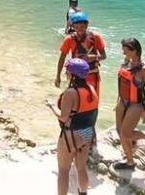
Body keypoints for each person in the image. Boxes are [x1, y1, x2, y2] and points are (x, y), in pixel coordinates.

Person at [48, 58, 98, 195]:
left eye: (67, 71)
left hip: (71, 135)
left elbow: (63, 117)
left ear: (74, 75)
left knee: (64, 170)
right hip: (87, 133)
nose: (65, 73)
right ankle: (83, 193)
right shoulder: (92, 90)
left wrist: (52, 106)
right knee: (81, 168)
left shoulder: (70, 93)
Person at [115, 38, 145, 170]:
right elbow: (122, 83)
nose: (123, 53)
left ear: (134, 51)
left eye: (126, 51)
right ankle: (130, 161)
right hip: (122, 101)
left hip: (136, 104)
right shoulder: (126, 63)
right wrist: (118, 102)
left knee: (126, 133)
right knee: (119, 131)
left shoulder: (144, 69)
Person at [55, 12, 107, 95]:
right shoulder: (69, 39)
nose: (79, 30)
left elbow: (104, 56)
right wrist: (58, 76)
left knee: (91, 100)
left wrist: (93, 57)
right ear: (72, 27)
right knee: (75, 100)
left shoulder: (95, 38)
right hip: (75, 76)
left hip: (92, 74)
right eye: (76, 27)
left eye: (82, 27)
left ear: (86, 25)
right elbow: (62, 58)